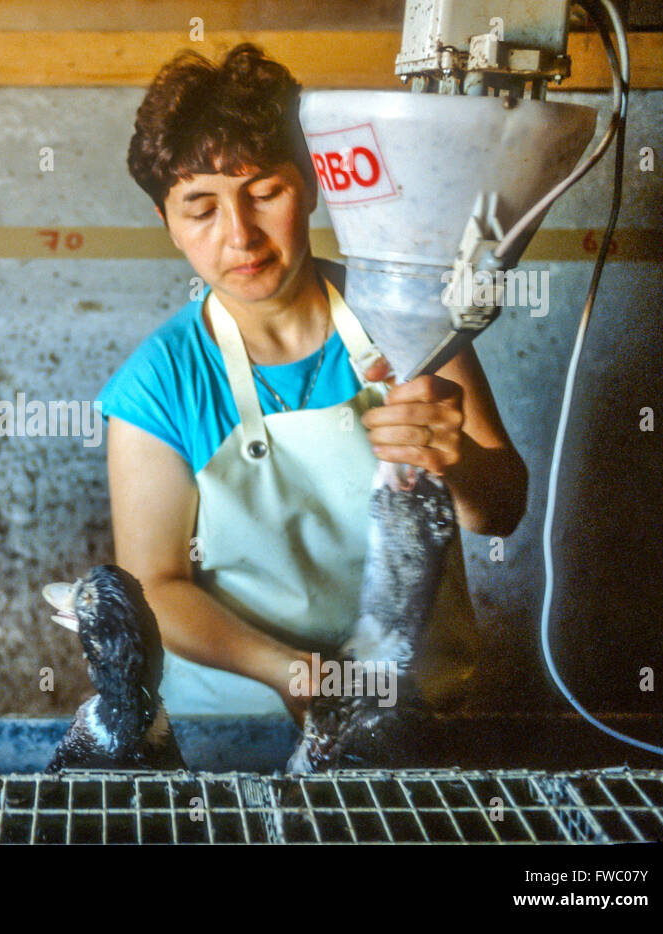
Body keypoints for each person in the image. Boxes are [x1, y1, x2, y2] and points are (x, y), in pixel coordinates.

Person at [96, 44, 528, 726]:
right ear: (168, 223)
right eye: (200, 208)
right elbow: (157, 584)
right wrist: (291, 674)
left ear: (313, 182)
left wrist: (456, 460)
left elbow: (498, 510)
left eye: (265, 191)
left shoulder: (406, 319)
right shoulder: (159, 381)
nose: (240, 235)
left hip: (417, 717)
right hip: (236, 736)